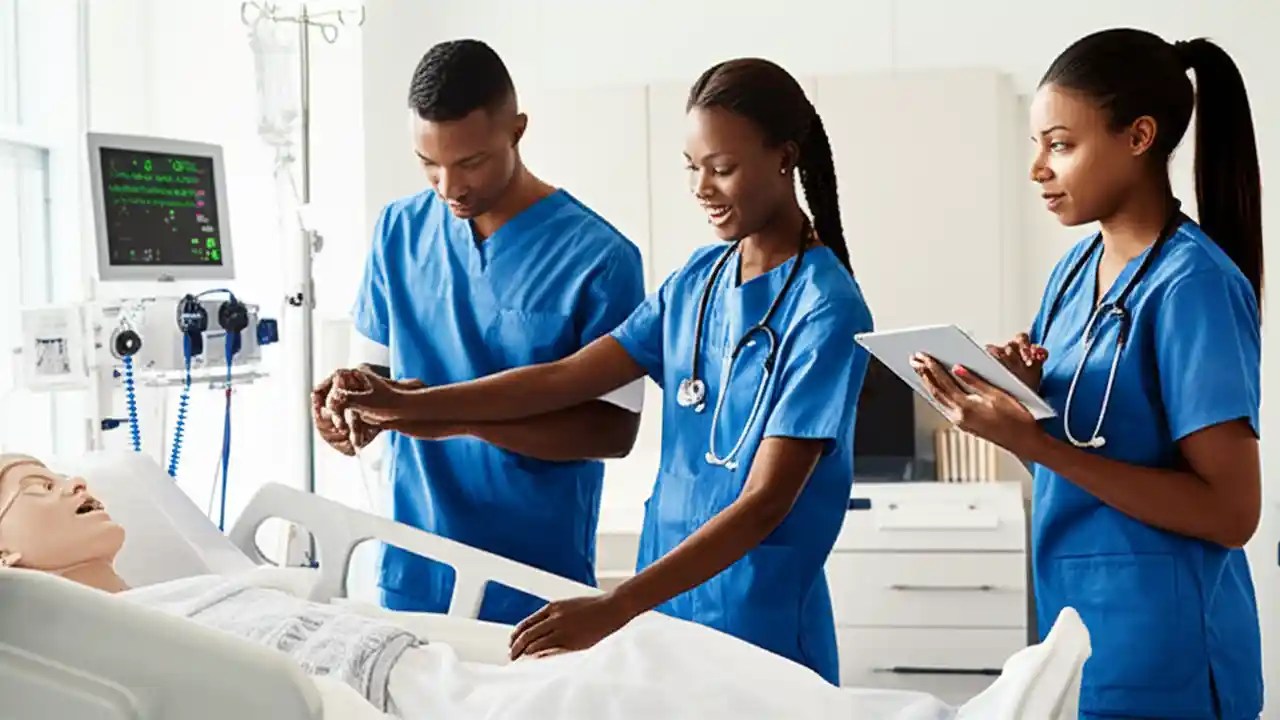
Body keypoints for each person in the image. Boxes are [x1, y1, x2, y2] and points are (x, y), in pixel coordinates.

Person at [325, 57, 874, 686]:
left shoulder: (826, 307)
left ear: (785, 158)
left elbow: (763, 504)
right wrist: (410, 406)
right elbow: (565, 377)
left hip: (760, 617)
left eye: (721, 169)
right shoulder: (699, 280)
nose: (701, 188)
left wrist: (617, 604)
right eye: (692, 168)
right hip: (665, 611)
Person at [4, 453, 1069, 720]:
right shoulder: (116, 646)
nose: (73, 485)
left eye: (61, 468)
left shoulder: (185, 590)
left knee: (653, 656)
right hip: (411, 704)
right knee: (644, 666)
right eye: (29, 490)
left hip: (426, 672)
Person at [912, 29, 1263, 720]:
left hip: (1171, 660)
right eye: (1037, 144)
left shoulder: (1193, 286)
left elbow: (1232, 513)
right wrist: (1016, 395)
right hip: (1081, 639)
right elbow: (1085, 444)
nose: (1038, 168)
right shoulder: (1073, 274)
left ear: (1138, 137)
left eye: (1061, 144)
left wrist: (1037, 444)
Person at [311, 39, 647, 626]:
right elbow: (377, 379)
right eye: (428, 163)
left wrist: (449, 417)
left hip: (534, 585)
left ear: (516, 131)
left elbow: (611, 430)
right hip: (416, 569)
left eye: (470, 162)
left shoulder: (601, 257)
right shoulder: (399, 231)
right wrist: (350, 409)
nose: (449, 186)